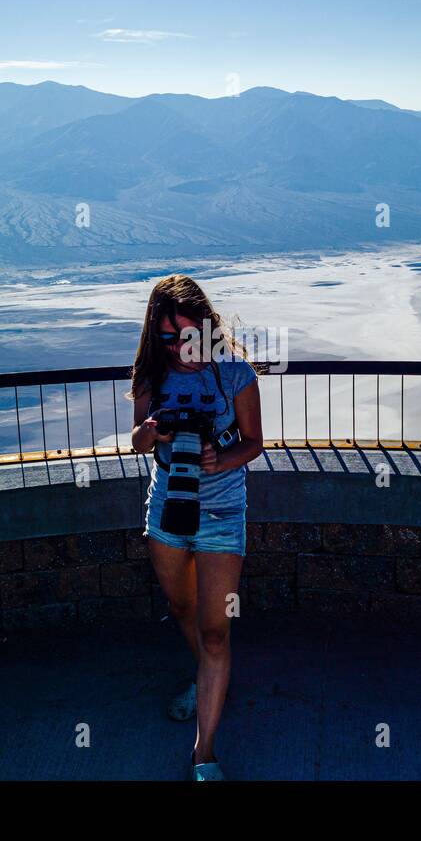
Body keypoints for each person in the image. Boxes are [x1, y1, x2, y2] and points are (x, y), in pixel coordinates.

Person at [129, 274, 263, 781]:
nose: (182, 347)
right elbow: (139, 442)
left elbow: (254, 443)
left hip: (223, 512)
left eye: (190, 335)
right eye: (169, 337)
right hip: (167, 505)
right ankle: (209, 677)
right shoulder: (151, 375)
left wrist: (217, 459)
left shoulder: (236, 375)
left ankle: (203, 754)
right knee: (183, 607)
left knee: (214, 633)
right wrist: (146, 433)